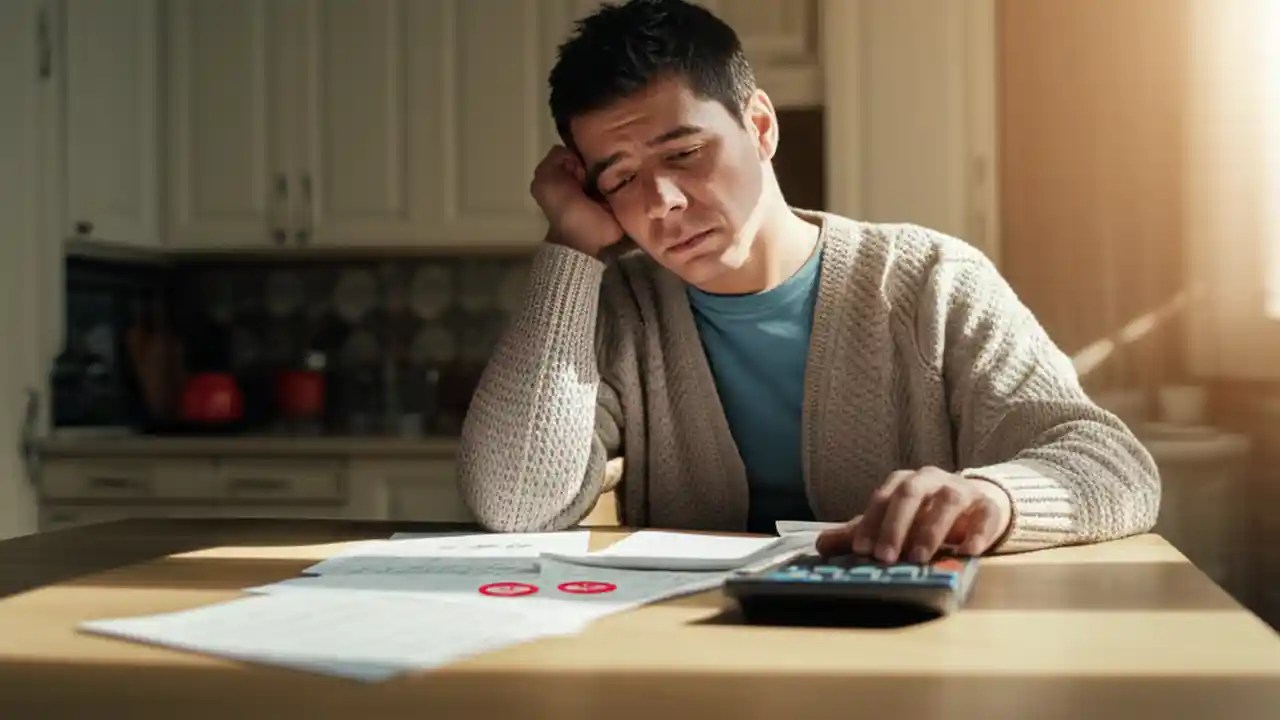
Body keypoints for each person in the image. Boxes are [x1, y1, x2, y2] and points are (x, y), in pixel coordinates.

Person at [457, 0, 1160, 563]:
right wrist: (572, 241)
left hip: (913, 650)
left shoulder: (931, 283)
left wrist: (992, 498)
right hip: (688, 654)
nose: (662, 200)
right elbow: (514, 502)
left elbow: (1115, 467)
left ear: (759, 125)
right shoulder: (622, 311)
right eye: (620, 178)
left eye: (687, 152)